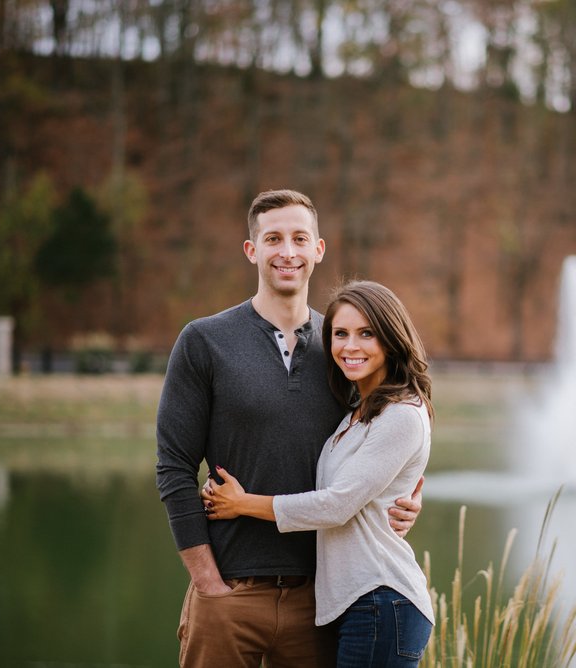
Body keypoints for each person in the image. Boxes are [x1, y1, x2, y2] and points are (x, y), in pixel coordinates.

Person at [155, 189, 423, 668]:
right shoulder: (204, 341)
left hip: (319, 603)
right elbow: (174, 468)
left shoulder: (343, 350)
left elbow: (384, 437)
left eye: (300, 238)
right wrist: (207, 583)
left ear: (318, 250)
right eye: (273, 238)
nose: (287, 252)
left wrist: (405, 499)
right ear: (251, 250)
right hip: (229, 591)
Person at [202, 280, 434, 667]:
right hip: (355, 604)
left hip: (381, 598)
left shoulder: (402, 414)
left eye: (366, 334)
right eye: (340, 334)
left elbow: (337, 504)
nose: (350, 346)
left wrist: (243, 504)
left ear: (392, 339)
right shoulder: (357, 413)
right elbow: (369, 491)